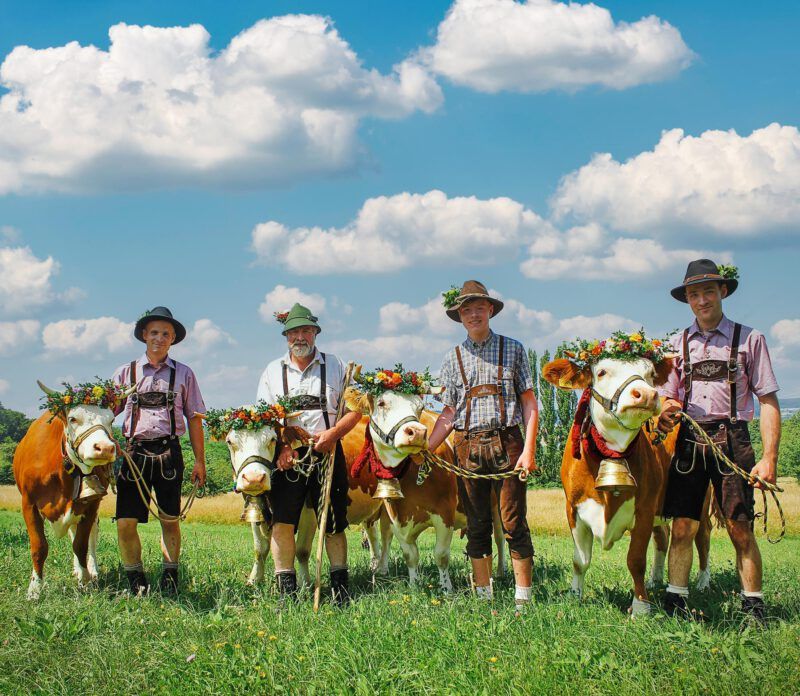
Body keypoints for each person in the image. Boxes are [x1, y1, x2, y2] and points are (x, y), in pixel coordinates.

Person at [657, 260, 781, 621]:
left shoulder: (750, 339)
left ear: (722, 292)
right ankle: (677, 603)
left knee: (739, 526)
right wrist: (667, 410)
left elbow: (768, 400)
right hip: (690, 440)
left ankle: (753, 606)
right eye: (694, 294)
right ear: (687, 300)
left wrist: (769, 458)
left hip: (733, 440)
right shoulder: (675, 344)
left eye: (708, 291)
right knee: (682, 525)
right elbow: (669, 395)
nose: (701, 300)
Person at [428, 281, 538, 612]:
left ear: (490, 310)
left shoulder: (514, 349)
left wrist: (529, 450)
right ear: (459, 316)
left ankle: (523, 599)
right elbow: (449, 414)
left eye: (479, 307)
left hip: (508, 442)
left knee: (513, 521)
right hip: (467, 446)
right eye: (466, 310)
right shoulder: (452, 359)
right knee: (476, 524)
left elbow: (529, 403)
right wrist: (427, 448)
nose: (473, 314)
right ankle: (483, 599)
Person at [256, 303, 360, 605]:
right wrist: (284, 445)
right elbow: (266, 417)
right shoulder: (272, 371)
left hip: (327, 453)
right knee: (282, 522)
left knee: (334, 522)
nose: (299, 337)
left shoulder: (337, 365)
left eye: (305, 330)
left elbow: (356, 408)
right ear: (286, 337)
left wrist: (333, 435)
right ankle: (286, 593)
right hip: (288, 457)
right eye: (293, 332)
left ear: (315, 333)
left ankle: (341, 592)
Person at [112, 307, 207, 595]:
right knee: (126, 523)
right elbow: (106, 413)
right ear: (144, 335)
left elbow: (195, 418)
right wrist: (109, 443)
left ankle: (169, 578)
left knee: (170, 519)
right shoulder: (124, 373)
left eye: (166, 333)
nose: (159, 338)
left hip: (169, 453)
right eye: (154, 332)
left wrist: (200, 461)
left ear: (174, 338)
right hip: (133, 453)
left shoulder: (184, 373)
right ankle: (136, 581)